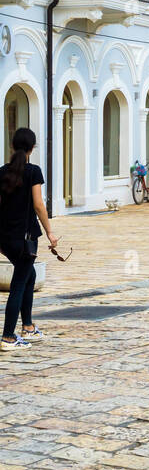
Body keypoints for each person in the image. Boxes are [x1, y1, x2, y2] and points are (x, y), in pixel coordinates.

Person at [1, 127, 58, 353]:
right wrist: (50, 232)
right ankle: (7, 336)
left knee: (29, 275)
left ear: (12, 146)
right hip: (25, 240)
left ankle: (28, 327)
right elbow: (38, 205)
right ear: (32, 148)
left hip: (5, 239)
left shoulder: (1, 172)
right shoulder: (33, 171)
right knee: (18, 284)